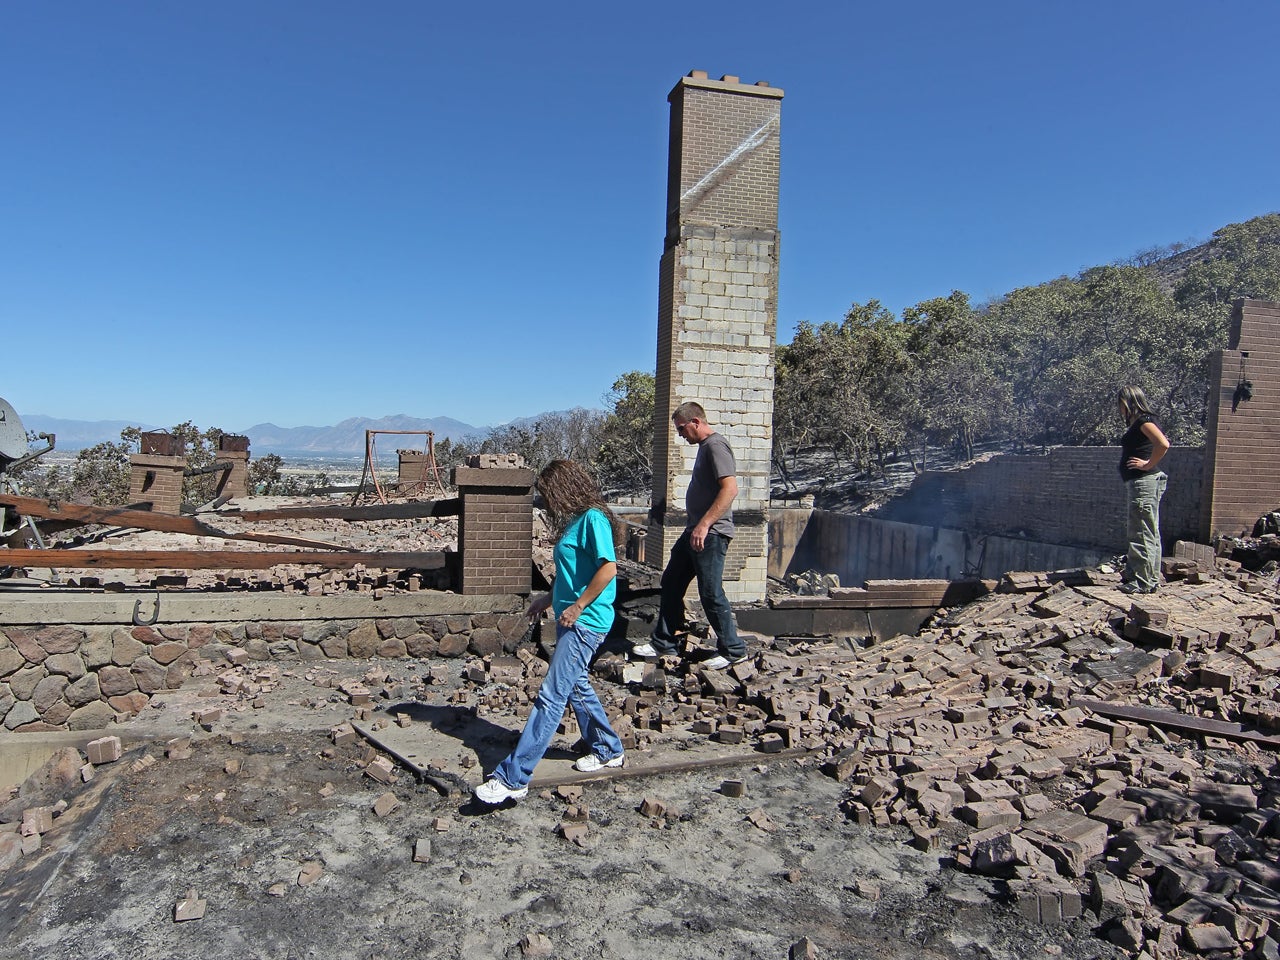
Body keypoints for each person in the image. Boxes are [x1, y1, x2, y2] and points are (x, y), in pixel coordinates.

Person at [474, 460, 625, 805]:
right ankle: (608, 749)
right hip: (571, 616)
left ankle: (515, 777)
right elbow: (575, 572)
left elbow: (607, 569)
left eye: (549, 494)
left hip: (586, 621)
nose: (548, 502)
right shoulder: (575, 521)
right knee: (576, 686)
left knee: (552, 695)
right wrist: (549, 599)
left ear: (564, 488)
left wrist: (579, 606)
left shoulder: (593, 519)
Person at [633, 401, 747, 670]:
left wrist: (705, 525)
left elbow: (730, 490)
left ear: (696, 422)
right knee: (671, 581)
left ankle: (733, 649)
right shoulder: (705, 448)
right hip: (695, 531)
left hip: (711, 533)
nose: (681, 435)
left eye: (683, 429)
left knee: (710, 592)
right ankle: (664, 642)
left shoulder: (716, 446)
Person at [1117, 385, 1170, 595]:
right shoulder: (1140, 422)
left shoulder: (1144, 421)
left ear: (1130, 401)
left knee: (1141, 532)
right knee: (1148, 531)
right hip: (1142, 483)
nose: (1119, 408)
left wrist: (1147, 464)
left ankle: (1142, 582)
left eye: (1121, 403)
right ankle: (1148, 579)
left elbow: (1163, 444)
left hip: (1144, 483)